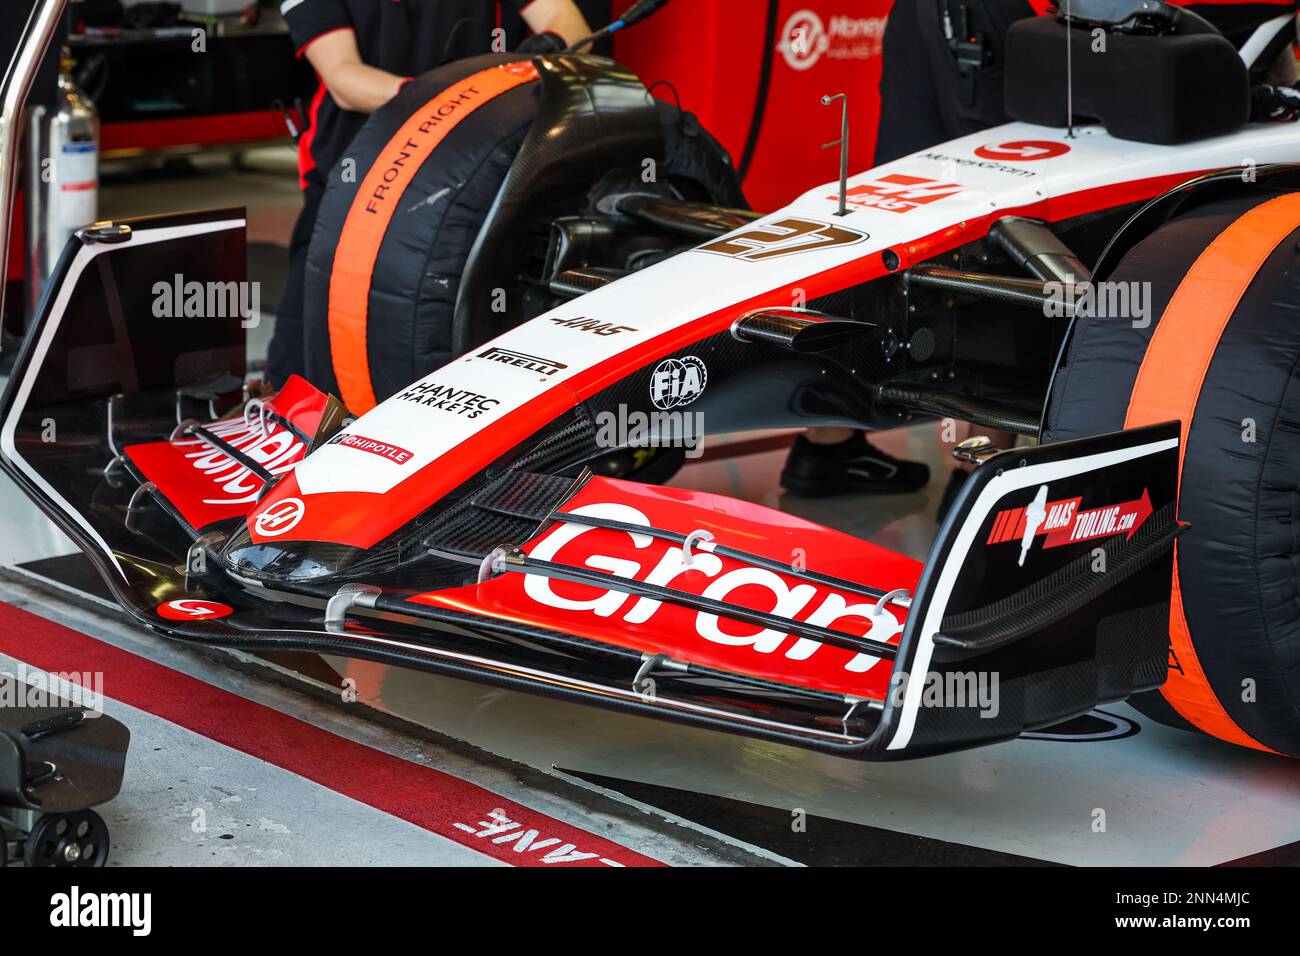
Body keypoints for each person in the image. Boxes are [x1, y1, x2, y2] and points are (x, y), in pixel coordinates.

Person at [782, 0, 1298, 501]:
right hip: (1016, 26)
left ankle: (827, 447)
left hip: (952, 21)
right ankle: (976, 483)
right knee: (990, 245)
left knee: (903, 224)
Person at [268, 0, 593, 387]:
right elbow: (343, 78)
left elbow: (569, 23)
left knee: (461, 354)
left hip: (477, 183)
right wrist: (460, 97)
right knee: (302, 365)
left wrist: (549, 47)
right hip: (359, 191)